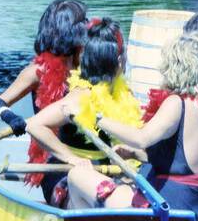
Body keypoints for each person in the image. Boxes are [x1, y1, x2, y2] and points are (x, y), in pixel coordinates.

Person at [70, 32, 198, 221]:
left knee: (76, 176)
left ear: (173, 67)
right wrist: (136, 155)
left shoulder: (177, 103)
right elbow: (185, 162)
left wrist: (96, 118)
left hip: (172, 211)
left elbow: (141, 138)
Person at [25, 18, 143, 207]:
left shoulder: (123, 92)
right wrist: (72, 158)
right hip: (69, 176)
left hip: (109, 171)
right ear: (120, 61)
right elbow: (34, 125)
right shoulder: (81, 96)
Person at [0, 0, 89, 192]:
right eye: (82, 23)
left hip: (89, 156)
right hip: (54, 161)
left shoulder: (88, 67)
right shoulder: (37, 72)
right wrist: (11, 118)